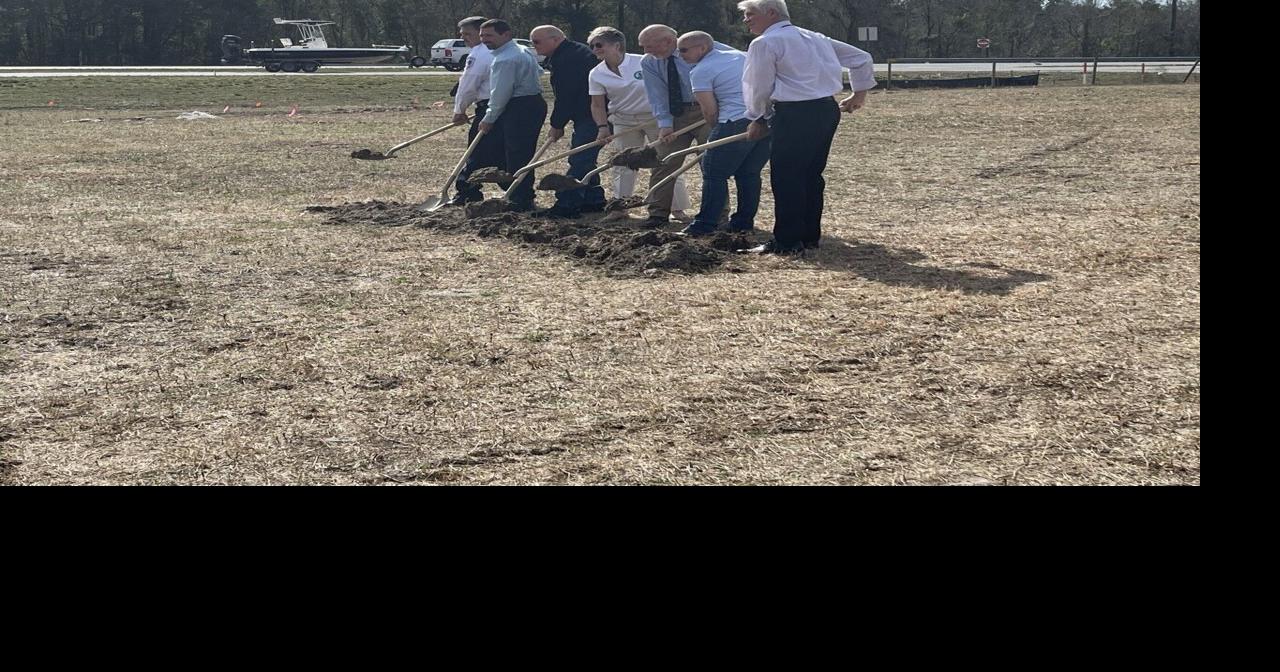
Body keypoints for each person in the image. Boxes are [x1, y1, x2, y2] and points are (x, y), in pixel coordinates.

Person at [737, 0, 875, 254]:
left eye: (750, 14)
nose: (746, 20)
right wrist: (858, 95)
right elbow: (861, 58)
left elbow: (758, 85)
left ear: (771, 13)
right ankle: (809, 236)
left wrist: (757, 118)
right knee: (811, 174)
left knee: (787, 177)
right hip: (825, 110)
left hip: (794, 113)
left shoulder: (765, 43)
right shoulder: (816, 37)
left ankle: (787, 242)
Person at [584, 26, 692, 221]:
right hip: (623, 120)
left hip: (655, 118)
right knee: (622, 163)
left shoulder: (643, 62)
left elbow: (664, 89)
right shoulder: (596, 73)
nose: (595, 49)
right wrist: (602, 127)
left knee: (665, 162)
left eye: (599, 44)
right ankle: (620, 207)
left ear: (616, 45)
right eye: (591, 46)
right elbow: (597, 105)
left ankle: (677, 209)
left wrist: (665, 120)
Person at [674, 31, 771, 237]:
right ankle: (743, 223)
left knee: (714, 173)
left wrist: (716, 130)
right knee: (749, 173)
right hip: (765, 120)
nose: (680, 54)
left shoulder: (701, 70)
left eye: (683, 50)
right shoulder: (742, 56)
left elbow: (709, 111)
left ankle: (704, 225)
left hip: (733, 121)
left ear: (702, 48)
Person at [528, 25, 606, 219]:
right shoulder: (569, 53)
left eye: (536, 41)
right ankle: (593, 200)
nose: (533, 45)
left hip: (596, 115)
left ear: (555, 40)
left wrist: (557, 125)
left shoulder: (568, 59)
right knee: (585, 157)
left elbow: (566, 97)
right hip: (586, 114)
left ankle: (568, 203)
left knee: (579, 158)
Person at [478, 19, 548, 212]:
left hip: (520, 106)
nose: (485, 40)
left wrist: (489, 118)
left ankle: (521, 198)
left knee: (518, 154)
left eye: (490, 35)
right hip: (531, 103)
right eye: (482, 36)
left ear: (505, 34)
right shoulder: (522, 50)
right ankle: (517, 192)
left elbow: (500, 93)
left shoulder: (505, 59)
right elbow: (539, 72)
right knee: (517, 152)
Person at [446, 16, 498, 206]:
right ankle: (517, 192)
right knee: (502, 151)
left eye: (468, 34)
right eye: (462, 34)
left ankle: (467, 191)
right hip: (508, 107)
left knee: (475, 150)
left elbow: (469, 85)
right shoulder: (509, 50)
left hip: (489, 107)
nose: (465, 38)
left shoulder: (479, 53)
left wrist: (459, 110)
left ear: (481, 33)